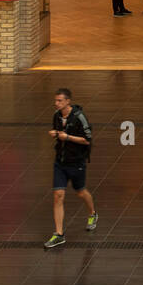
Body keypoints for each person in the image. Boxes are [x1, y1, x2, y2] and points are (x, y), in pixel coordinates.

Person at [44, 88, 98, 248]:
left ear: (68, 101)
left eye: (60, 101)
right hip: (60, 162)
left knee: (81, 191)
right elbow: (60, 134)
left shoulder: (79, 117)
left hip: (76, 162)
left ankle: (92, 213)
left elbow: (87, 140)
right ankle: (59, 234)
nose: (57, 103)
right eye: (56, 100)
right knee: (58, 194)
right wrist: (56, 134)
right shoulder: (57, 116)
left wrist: (67, 137)